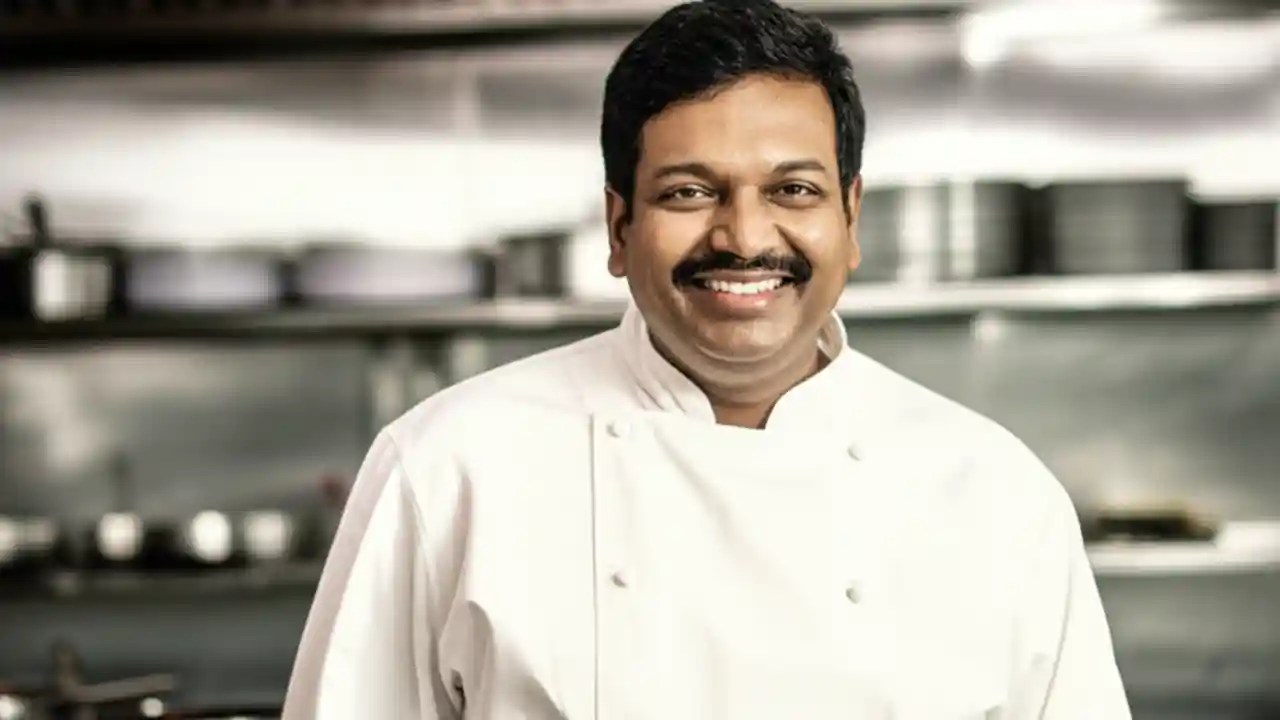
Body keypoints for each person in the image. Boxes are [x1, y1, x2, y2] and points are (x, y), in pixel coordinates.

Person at [282, 1, 1131, 718]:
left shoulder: (995, 493)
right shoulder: (445, 468)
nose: (745, 238)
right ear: (619, 228)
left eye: (793, 190)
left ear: (851, 218)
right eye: (689, 192)